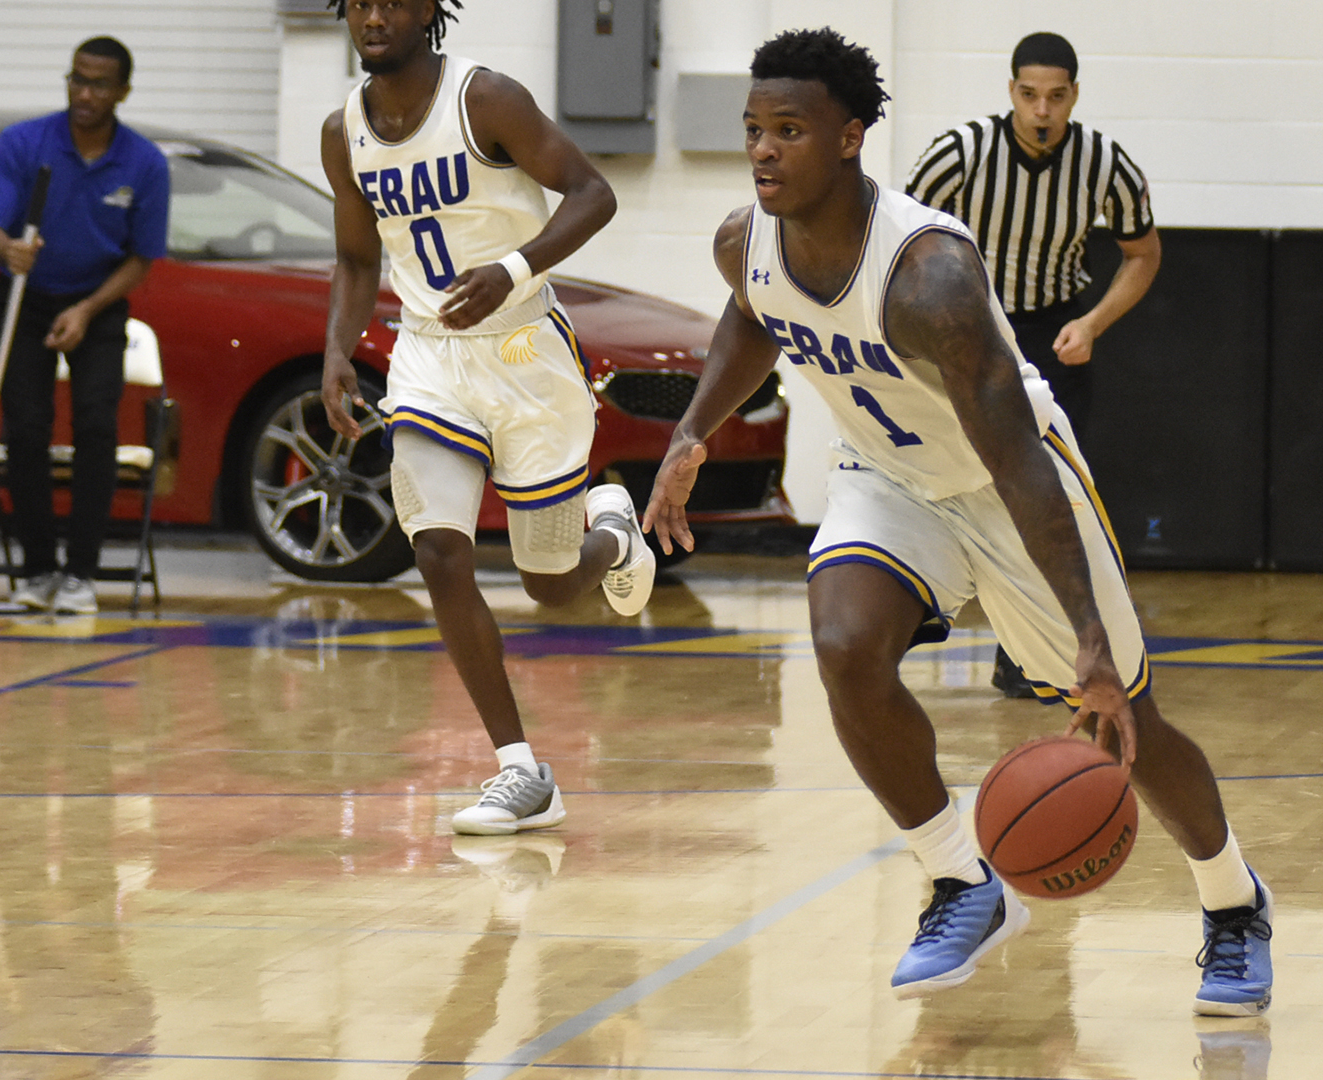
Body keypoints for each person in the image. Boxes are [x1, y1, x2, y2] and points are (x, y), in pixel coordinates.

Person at [641, 27, 1271, 1015]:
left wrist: (1094, 643)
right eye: (755, 129)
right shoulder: (743, 239)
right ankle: (961, 880)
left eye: (790, 130)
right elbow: (754, 311)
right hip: (885, 474)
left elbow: (1017, 459)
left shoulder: (928, 276)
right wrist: (690, 433)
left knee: (1128, 720)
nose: (763, 149)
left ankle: (1233, 905)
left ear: (850, 139)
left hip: (1006, 480)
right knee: (844, 644)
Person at [319, 0, 655, 836]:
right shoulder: (343, 132)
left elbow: (593, 192)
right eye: (358, 0)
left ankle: (613, 533)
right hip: (429, 354)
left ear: (431, 8)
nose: (372, 14)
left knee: (549, 584)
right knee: (437, 548)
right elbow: (359, 257)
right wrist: (337, 352)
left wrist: (514, 267)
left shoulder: (485, 99)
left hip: (524, 350)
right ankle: (521, 770)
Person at [904, 32, 1160, 698]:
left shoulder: (1106, 163)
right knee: (946, 476)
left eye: (1055, 97)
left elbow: (1143, 254)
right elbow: (898, 237)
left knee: (1048, 495)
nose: (1042, 110)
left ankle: (1031, 655)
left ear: (1074, 94)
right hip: (972, 325)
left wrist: (1093, 322)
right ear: (1010, 91)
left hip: (1054, 328)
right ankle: (918, 602)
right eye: (1028, 95)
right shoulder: (961, 152)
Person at [0, 36, 170, 616]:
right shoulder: (23, 143)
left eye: (99, 84)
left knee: (95, 426)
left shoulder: (143, 163)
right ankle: (36, 569)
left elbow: (142, 257)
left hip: (99, 301)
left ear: (122, 92)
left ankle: (81, 573)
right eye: (77, 80)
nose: (85, 93)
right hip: (24, 298)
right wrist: (7, 249)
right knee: (27, 430)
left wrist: (85, 311)